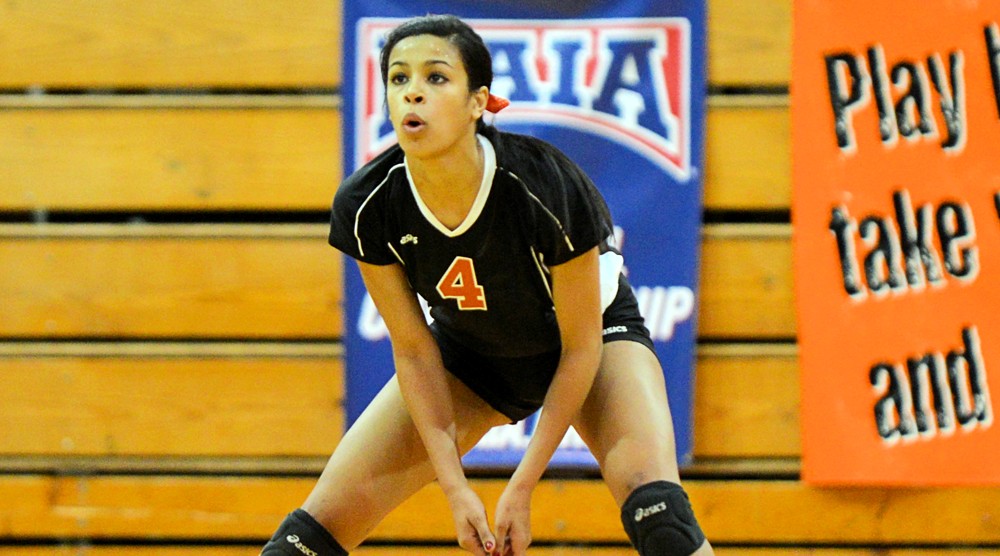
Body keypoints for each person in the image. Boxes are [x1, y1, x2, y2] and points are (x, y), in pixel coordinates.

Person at [261, 14, 713, 556]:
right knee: (306, 538)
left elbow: (580, 347)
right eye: (399, 79)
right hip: (473, 356)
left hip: (594, 341)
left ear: (478, 101)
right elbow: (415, 354)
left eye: (436, 78)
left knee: (659, 516)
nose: (413, 95)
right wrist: (455, 489)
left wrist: (521, 487)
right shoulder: (366, 205)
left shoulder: (543, 184)